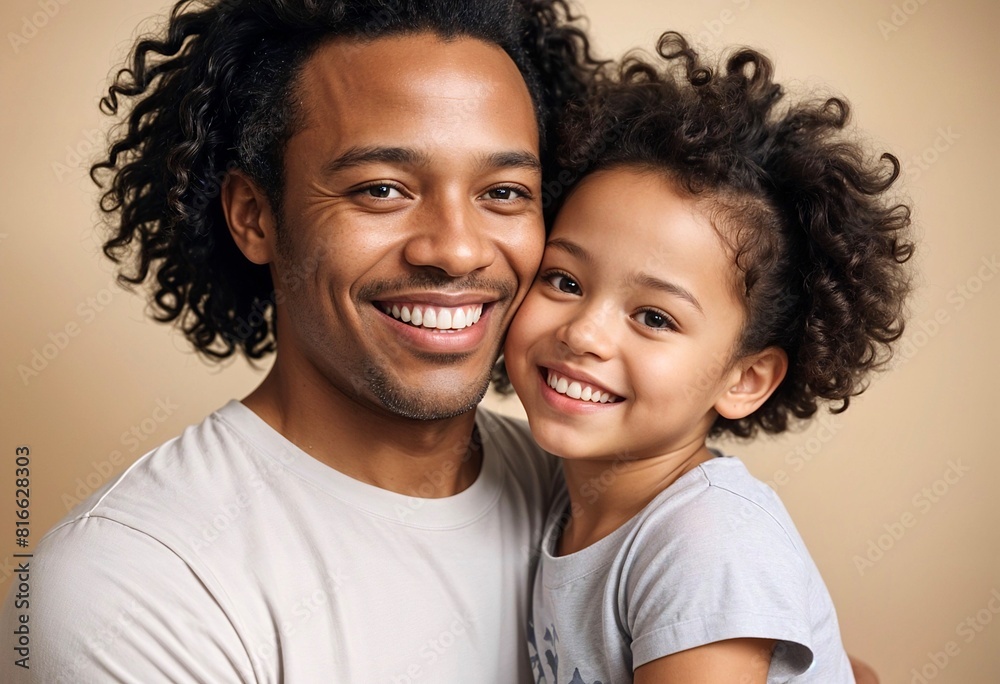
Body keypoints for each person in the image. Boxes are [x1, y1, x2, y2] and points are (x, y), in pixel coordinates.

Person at [0, 1, 605, 681]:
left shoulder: (597, 498)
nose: (458, 250)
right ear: (254, 217)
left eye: (503, 192)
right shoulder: (133, 581)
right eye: (382, 189)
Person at [502, 32, 912, 683]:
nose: (585, 333)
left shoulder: (704, 542)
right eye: (565, 281)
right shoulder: (563, 499)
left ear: (745, 379)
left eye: (655, 317)